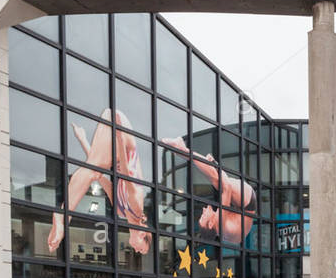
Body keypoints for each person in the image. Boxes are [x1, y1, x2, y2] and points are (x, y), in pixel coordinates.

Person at [46, 109, 152, 255]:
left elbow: (100, 175)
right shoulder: (137, 207)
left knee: (94, 172)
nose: (137, 251)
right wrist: (119, 134)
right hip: (125, 142)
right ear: (142, 235)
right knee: (93, 171)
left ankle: (62, 216)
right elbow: (127, 173)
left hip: (118, 147)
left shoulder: (120, 211)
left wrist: (82, 139)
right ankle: (61, 216)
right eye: (141, 249)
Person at [160, 135, 257, 244]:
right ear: (210, 224)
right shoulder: (220, 224)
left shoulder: (222, 230)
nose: (203, 210)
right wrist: (216, 165)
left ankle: (182, 150)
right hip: (247, 201)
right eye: (203, 216)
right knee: (219, 182)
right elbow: (227, 187)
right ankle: (182, 150)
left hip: (243, 207)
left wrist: (215, 167)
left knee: (218, 181)